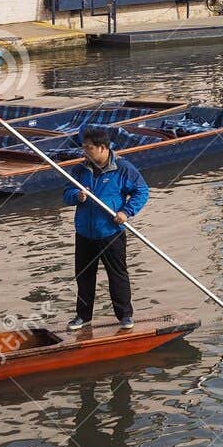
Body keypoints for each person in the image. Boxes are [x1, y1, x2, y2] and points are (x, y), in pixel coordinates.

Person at [62, 127, 149, 330]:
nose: (84, 152)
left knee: (117, 275)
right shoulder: (79, 170)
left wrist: (126, 212)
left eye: (88, 148)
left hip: (111, 232)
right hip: (84, 232)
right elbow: (66, 193)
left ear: (102, 148)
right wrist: (77, 196)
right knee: (84, 276)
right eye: (83, 147)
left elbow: (141, 191)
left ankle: (125, 315)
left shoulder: (123, 168)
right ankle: (83, 316)